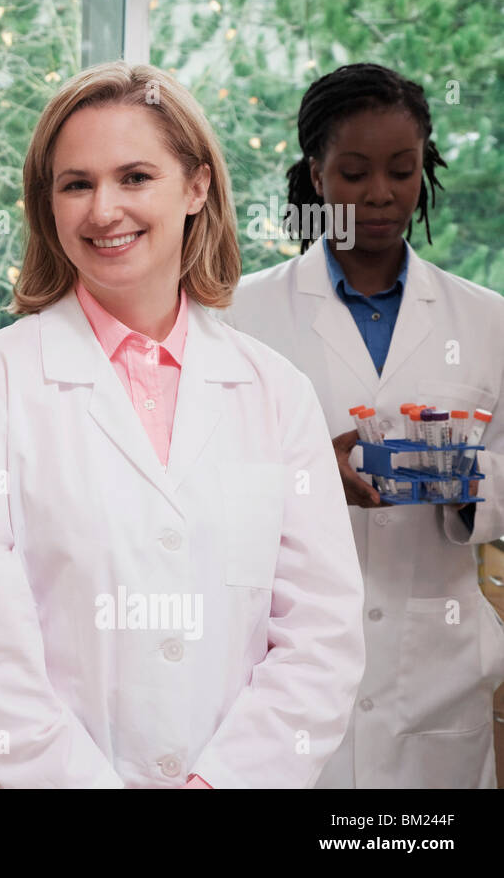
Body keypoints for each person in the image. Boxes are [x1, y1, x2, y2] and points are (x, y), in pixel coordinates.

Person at [0, 61, 365, 788]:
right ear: (48, 205)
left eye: (134, 177)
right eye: (76, 184)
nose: (103, 210)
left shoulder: (276, 392)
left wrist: (222, 782)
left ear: (196, 186)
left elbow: (323, 635)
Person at [223, 63, 504, 788]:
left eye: (402, 171)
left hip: (434, 674)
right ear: (315, 176)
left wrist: (466, 481)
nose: (379, 194)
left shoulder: (485, 320)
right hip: (283, 667)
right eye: (353, 172)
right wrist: (318, 473)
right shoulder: (240, 317)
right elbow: (199, 484)